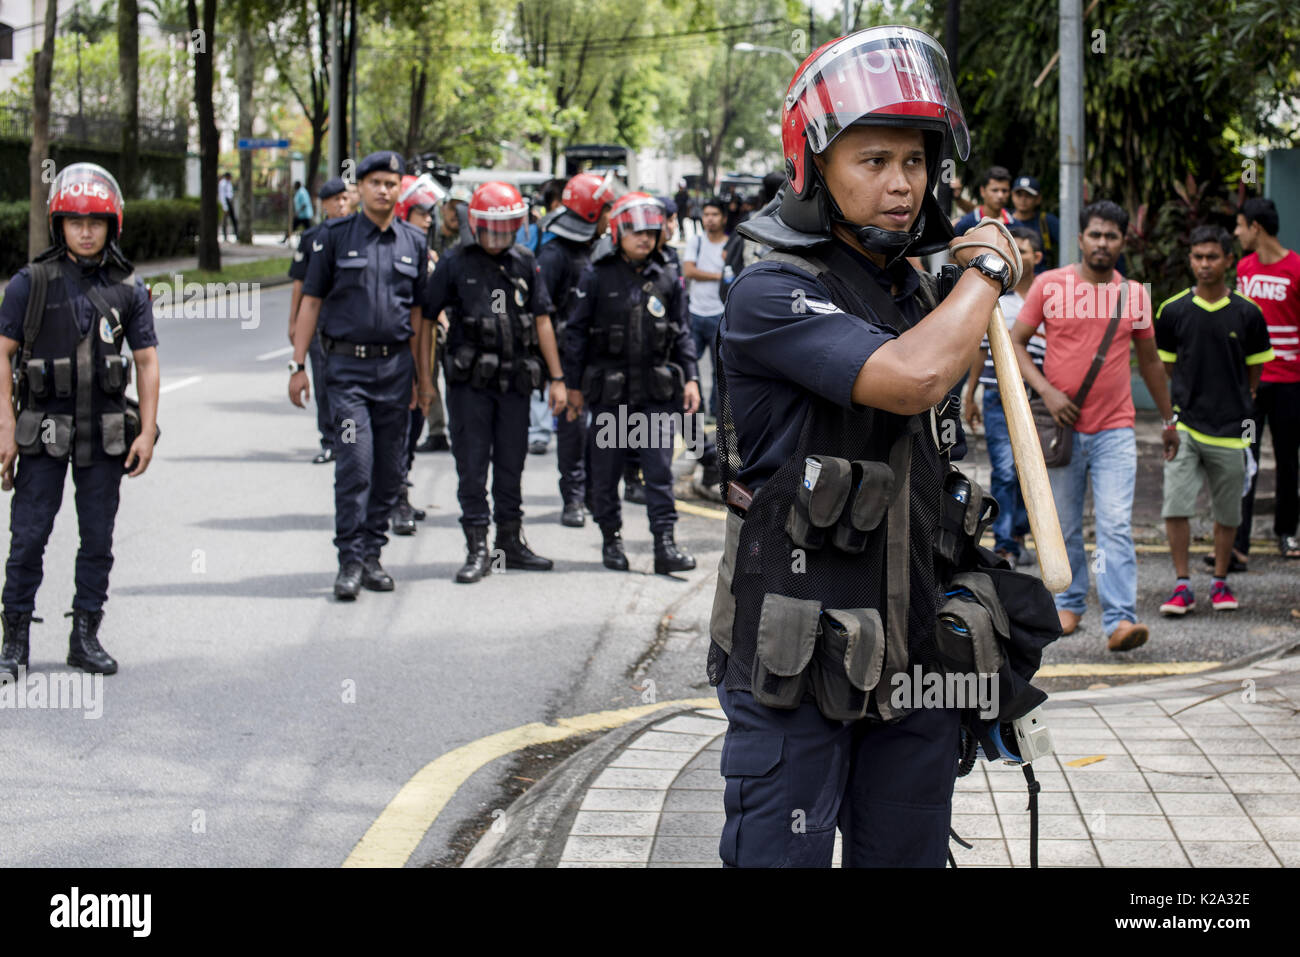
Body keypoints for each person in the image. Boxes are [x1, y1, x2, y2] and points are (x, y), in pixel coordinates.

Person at [710, 26, 1027, 867]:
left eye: (915, 163)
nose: (900, 183)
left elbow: (942, 420)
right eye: (873, 160)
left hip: (913, 659)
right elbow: (917, 378)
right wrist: (988, 271)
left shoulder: (916, 286)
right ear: (813, 165)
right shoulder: (770, 290)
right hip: (796, 673)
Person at [0, 163, 159, 676]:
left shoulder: (129, 289)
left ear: (112, 226)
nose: (86, 231)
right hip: (42, 431)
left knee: (98, 539)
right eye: (75, 222)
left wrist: (149, 432)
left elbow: (148, 361)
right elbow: (1, 354)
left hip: (105, 433)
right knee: (28, 536)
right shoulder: (30, 283)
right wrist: (5, 428)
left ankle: (85, 636)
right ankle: (14, 641)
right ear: (59, 226)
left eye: (95, 222)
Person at [1011, 200, 1179, 651]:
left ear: (1123, 242)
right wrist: (1045, 391)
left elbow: (1150, 362)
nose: (1102, 243)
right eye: (1095, 234)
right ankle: (1068, 603)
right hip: (1060, 430)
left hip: (1115, 431)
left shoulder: (1134, 295)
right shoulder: (1049, 285)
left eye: (1111, 236)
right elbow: (1014, 343)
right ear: (1081, 238)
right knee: (1063, 524)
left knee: (1115, 527)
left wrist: (1168, 420)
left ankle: (1121, 621)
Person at [289, 150, 428, 600]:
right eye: (375, 183)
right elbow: (310, 301)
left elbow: (420, 317)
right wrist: (296, 366)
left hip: (395, 371)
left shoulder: (414, 242)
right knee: (355, 465)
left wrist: (422, 381)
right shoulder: (333, 237)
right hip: (346, 373)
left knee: (391, 471)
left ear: (400, 188)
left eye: (391, 183)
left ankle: (372, 554)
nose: (383, 190)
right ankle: (348, 561)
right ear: (360, 188)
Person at [422, 181, 568, 583]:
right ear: (476, 224)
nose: (500, 236)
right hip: (470, 388)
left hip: (515, 385)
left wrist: (557, 378)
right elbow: (425, 317)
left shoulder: (524, 261)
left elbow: (542, 320)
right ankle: (477, 548)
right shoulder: (454, 263)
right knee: (471, 467)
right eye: (492, 227)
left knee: (511, 465)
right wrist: (424, 381)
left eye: (508, 227)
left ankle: (510, 543)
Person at [564, 193, 701, 573]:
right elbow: (575, 334)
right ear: (619, 232)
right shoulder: (597, 274)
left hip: (655, 394)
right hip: (612, 396)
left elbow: (682, 332)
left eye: (651, 232)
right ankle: (611, 540)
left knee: (658, 474)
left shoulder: (667, 275)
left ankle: (665, 546)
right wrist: (571, 387)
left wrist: (691, 377)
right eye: (636, 232)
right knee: (605, 475)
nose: (645, 238)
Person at [1155, 226, 1273, 615]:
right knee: (1176, 506)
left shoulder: (1249, 313)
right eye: (1197, 257)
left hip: (1233, 430)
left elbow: (1254, 374)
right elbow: (1168, 369)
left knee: (1228, 514)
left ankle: (1220, 582)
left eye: (1212, 257)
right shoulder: (1172, 311)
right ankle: (1182, 585)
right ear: (1191, 260)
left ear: (1228, 260)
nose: (1204, 264)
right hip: (1186, 425)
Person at [536, 172, 617, 527]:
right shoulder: (554, 255)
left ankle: (595, 495)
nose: (610, 217)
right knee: (572, 428)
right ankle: (572, 497)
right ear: (590, 213)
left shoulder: (600, 249)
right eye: (605, 210)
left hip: (599, 357)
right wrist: (556, 372)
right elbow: (542, 314)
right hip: (569, 358)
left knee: (600, 430)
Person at [963, 226, 1046, 566]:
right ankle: (1005, 542)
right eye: (1016, 251)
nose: (1020, 257)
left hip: (1037, 400)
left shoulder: (1046, 298)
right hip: (997, 397)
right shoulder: (998, 300)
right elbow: (981, 352)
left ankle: (1024, 534)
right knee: (1006, 470)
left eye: (1025, 251)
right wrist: (970, 395)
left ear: (1037, 257)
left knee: (1034, 468)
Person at [1231, 197, 1300, 563]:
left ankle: (1286, 533)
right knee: (1246, 458)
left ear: (1256, 227)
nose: (1237, 233)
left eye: (1240, 225)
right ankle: (1238, 542)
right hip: (1251, 387)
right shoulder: (1244, 268)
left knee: (1288, 461)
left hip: (1290, 385)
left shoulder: (1297, 269)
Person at [389, 174, 442, 535]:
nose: (429, 219)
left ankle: (399, 490)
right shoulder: (390, 249)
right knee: (399, 428)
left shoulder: (427, 253)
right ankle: (394, 497)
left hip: (426, 351)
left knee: (417, 422)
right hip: (395, 355)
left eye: (431, 212)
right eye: (422, 212)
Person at [288, 176, 352, 465]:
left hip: (349, 322)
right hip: (318, 322)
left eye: (344, 198)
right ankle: (330, 440)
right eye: (334, 200)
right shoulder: (312, 238)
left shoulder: (358, 233)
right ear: (324, 204)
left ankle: (350, 439)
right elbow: (300, 285)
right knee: (324, 383)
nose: (340, 204)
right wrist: (294, 322)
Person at [682, 197, 728, 421]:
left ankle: (714, 411)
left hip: (719, 314)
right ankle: (694, 405)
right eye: (707, 214)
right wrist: (718, 276)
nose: (709, 219)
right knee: (689, 363)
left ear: (724, 218)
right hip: (695, 312)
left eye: (714, 215)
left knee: (718, 369)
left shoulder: (729, 245)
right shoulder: (696, 242)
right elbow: (689, 271)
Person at [1008, 175, 1058, 273]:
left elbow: (1070, 243)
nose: (1023, 199)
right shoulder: (1003, 220)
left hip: (1040, 279)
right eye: (1019, 194)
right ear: (1012, 196)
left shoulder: (1046, 221)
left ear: (1038, 199)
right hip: (1008, 278)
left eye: (1028, 195)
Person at [953, 166, 1013, 234]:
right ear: (982, 191)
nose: (1000, 195)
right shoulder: (965, 224)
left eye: (1004, 191)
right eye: (995, 190)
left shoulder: (1015, 224)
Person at [218, 171, 238, 242]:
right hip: (226, 203)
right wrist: (225, 206)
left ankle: (236, 235)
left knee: (233, 220)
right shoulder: (222, 183)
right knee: (224, 221)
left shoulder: (228, 183)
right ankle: (225, 237)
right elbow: (222, 196)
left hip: (229, 202)